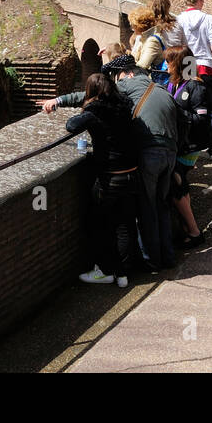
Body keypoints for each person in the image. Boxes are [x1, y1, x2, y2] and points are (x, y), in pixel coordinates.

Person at [61, 72, 137, 287]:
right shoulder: (125, 105)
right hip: (131, 172)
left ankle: (105, 271)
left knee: (102, 225)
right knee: (124, 225)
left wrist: (85, 108)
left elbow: (72, 125)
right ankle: (123, 273)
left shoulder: (95, 110)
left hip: (110, 176)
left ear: (91, 91)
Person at [175, 0, 212, 161]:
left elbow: (178, 44)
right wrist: (208, 55)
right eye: (203, 0)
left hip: (188, 64)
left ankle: (190, 145)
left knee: (189, 106)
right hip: (205, 65)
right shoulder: (208, 19)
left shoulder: (179, 19)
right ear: (198, 0)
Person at [163, 46, 209, 249]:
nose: (165, 66)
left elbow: (201, 119)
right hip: (178, 144)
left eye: (168, 62)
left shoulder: (196, 87)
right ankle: (188, 228)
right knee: (179, 182)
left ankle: (194, 231)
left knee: (176, 183)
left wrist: (175, 111)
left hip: (189, 147)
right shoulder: (173, 84)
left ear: (178, 64)